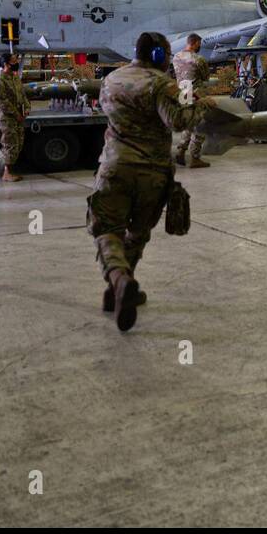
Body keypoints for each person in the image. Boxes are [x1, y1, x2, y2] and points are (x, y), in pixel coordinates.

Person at [88, 31, 214, 331]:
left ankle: (118, 281)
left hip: (115, 167)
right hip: (152, 173)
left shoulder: (112, 79)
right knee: (138, 233)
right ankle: (120, 286)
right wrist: (204, 104)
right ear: (158, 55)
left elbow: (105, 110)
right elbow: (179, 121)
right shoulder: (162, 84)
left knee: (107, 230)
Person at [170, 33, 211, 169]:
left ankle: (181, 151)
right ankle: (195, 157)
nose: (200, 46)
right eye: (199, 44)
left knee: (188, 122)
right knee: (200, 124)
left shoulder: (176, 57)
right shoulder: (198, 59)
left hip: (183, 94)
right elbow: (205, 77)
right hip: (197, 95)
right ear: (194, 43)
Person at [0, 53, 29, 182]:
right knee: (9, 144)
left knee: (18, 143)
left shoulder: (15, 78)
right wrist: (16, 114)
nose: (16, 62)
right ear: (6, 64)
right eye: (14, 61)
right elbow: (1, 102)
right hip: (5, 118)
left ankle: (10, 170)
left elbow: (22, 95)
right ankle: (7, 172)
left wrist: (27, 108)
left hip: (18, 117)